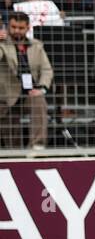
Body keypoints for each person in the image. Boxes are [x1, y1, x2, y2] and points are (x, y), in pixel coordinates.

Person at [0, 11, 52, 151]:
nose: (16, 31)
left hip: (29, 93)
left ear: (28, 27)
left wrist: (41, 88)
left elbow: (47, 70)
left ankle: (37, 146)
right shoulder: (2, 43)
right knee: (10, 131)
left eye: (21, 28)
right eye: (13, 27)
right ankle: (14, 154)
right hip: (7, 96)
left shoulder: (36, 45)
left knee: (39, 100)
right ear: (7, 26)